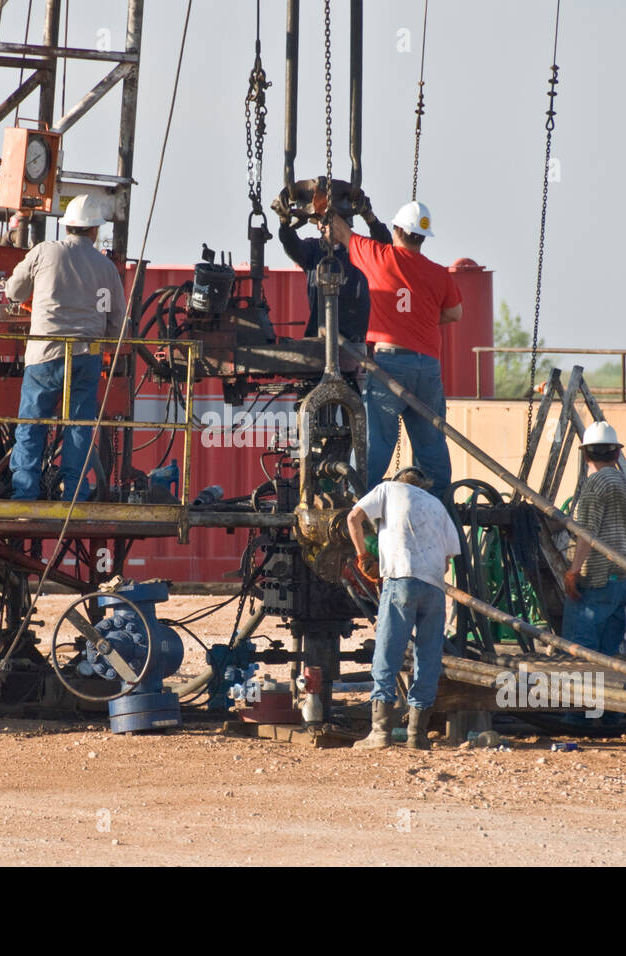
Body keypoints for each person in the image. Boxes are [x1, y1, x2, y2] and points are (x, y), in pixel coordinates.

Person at [327, 200, 462, 501]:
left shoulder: (379, 257)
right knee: (431, 445)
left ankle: (356, 506)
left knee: (376, 443)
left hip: (389, 367)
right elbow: (455, 314)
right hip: (427, 370)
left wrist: (324, 204)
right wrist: (423, 317)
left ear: (397, 230)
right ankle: (440, 507)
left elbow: (341, 231)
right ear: (423, 237)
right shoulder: (440, 274)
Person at [5, 195, 127, 501]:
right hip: (87, 356)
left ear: (67, 226)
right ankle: (74, 494)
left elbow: (14, 291)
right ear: (95, 231)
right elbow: (117, 322)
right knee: (78, 427)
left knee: (32, 426)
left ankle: (24, 494)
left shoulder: (45, 252)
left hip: (45, 356)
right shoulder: (106, 268)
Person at [346, 466, 461, 750]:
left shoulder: (388, 489)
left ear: (400, 481)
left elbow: (352, 518)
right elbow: (447, 563)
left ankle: (380, 732)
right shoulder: (436, 504)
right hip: (434, 588)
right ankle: (417, 735)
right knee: (428, 657)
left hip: (401, 580)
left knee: (388, 652)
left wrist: (363, 556)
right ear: (423, 484)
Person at [563, 422, 626, 655]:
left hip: (595, 583)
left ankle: (582, 693)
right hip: (621, 581)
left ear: (586, 454)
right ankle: (607, 692)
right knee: (608, 657)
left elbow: (587, 532)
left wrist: (573, 571)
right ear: (617, 453)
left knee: (582, 655)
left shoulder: (596, 483)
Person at [271, 186, 390, 344]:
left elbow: (385, 246)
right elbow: (291, 243)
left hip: (355, 344)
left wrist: (370, 217)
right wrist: (284, 222)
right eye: (323, 220)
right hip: (319, 341)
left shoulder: (362, 251)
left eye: (331, 219)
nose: (326, 225)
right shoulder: (312, 251)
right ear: (318, 225)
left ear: (345, 223)